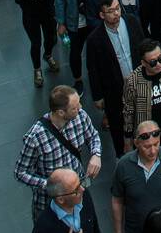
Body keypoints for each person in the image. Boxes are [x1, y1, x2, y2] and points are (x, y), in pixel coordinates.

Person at [13, 84, 102, 221]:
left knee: (86, 226)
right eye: (75, 107)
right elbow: (20, 172)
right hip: (50, 201)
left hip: (78, 190)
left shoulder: (81, 116)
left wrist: (96, 155)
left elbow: (93, 136)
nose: (81, 108)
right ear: (61, 112)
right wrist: (50, 185)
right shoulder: (35, 137)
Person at [84, 0, 145, 157]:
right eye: (111, 11)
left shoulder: (132, 21)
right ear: (102, 15)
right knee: (118, 126)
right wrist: (97, 96)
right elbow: (93, 69)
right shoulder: (95, 39)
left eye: (118, 8)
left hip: (140, 82)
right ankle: (123, 157)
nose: (116, 13)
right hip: (115, 90)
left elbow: (142, 47)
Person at [53, 0, 104, 89]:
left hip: (93, 19)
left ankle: (96, 75)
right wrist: (61, 23)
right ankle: (78, 79)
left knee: (95, 50)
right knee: (75, 53)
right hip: (74, 22)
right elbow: (59, 2)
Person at [27, 167, 106, 233]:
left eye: (80, 183)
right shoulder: (43, 228)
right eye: (76, 190)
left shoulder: (85, 198)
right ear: (60, 199)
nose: (82, 189)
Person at [121, 40, 161, 151]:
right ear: (143, 63)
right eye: (153, 62)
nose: (159, 64)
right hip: (146, 137)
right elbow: (128, 112)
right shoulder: (133, 81)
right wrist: (128, 140)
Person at [13, 0, 59, 87]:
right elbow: (18, 0)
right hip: (31, 15)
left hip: (47, 10)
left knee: (51, 37)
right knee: (36, 43)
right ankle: (37, 69)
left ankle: (48, 54)